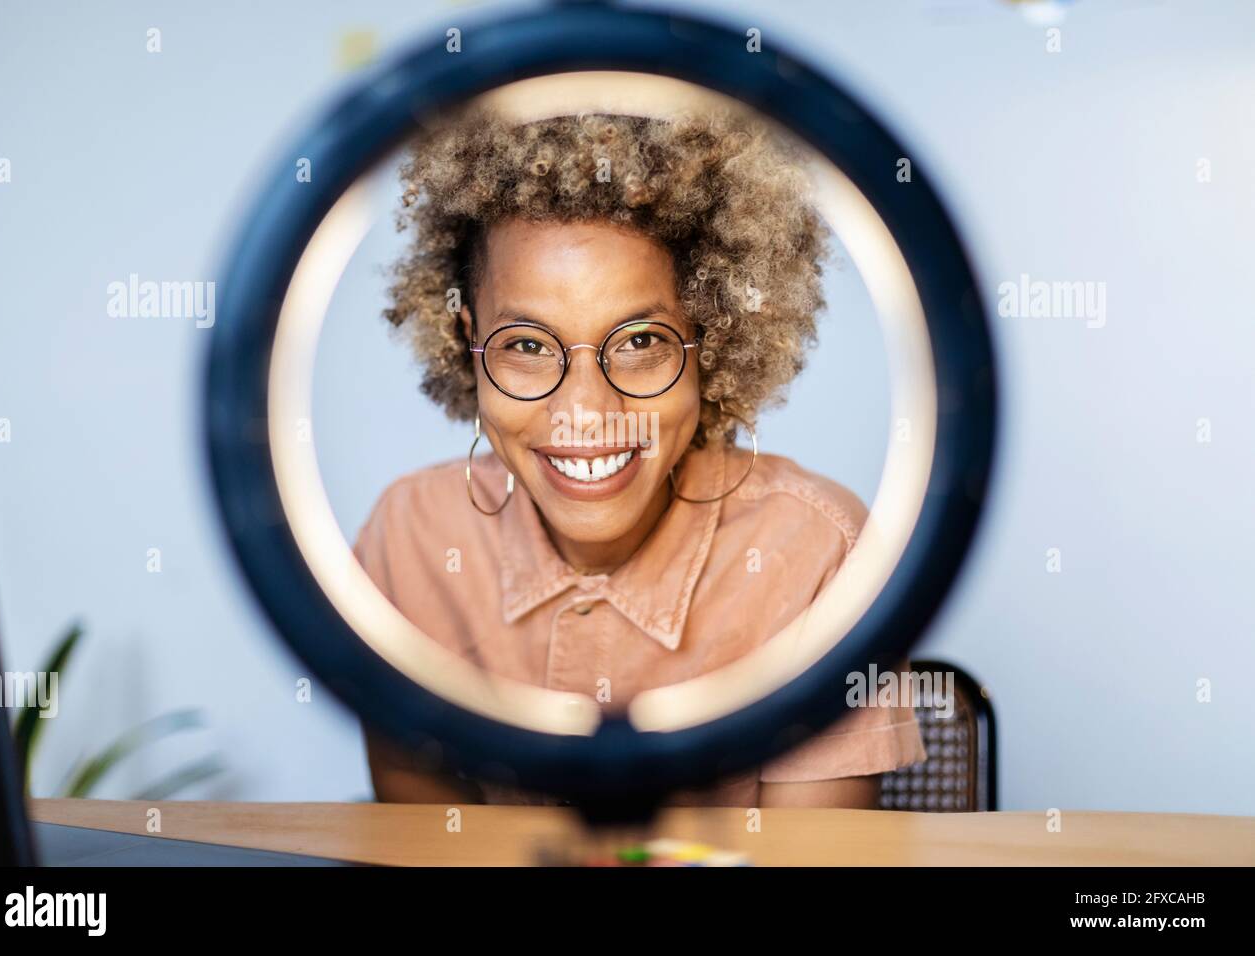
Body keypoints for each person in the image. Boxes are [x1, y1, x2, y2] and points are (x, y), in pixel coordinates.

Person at [353, 106, 924, 807]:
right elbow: (426, 846)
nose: (586, 412)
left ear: (710, 337)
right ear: (468, 341)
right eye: (528, 346)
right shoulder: (409, 540)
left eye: (640, 340)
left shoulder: (816, 555)